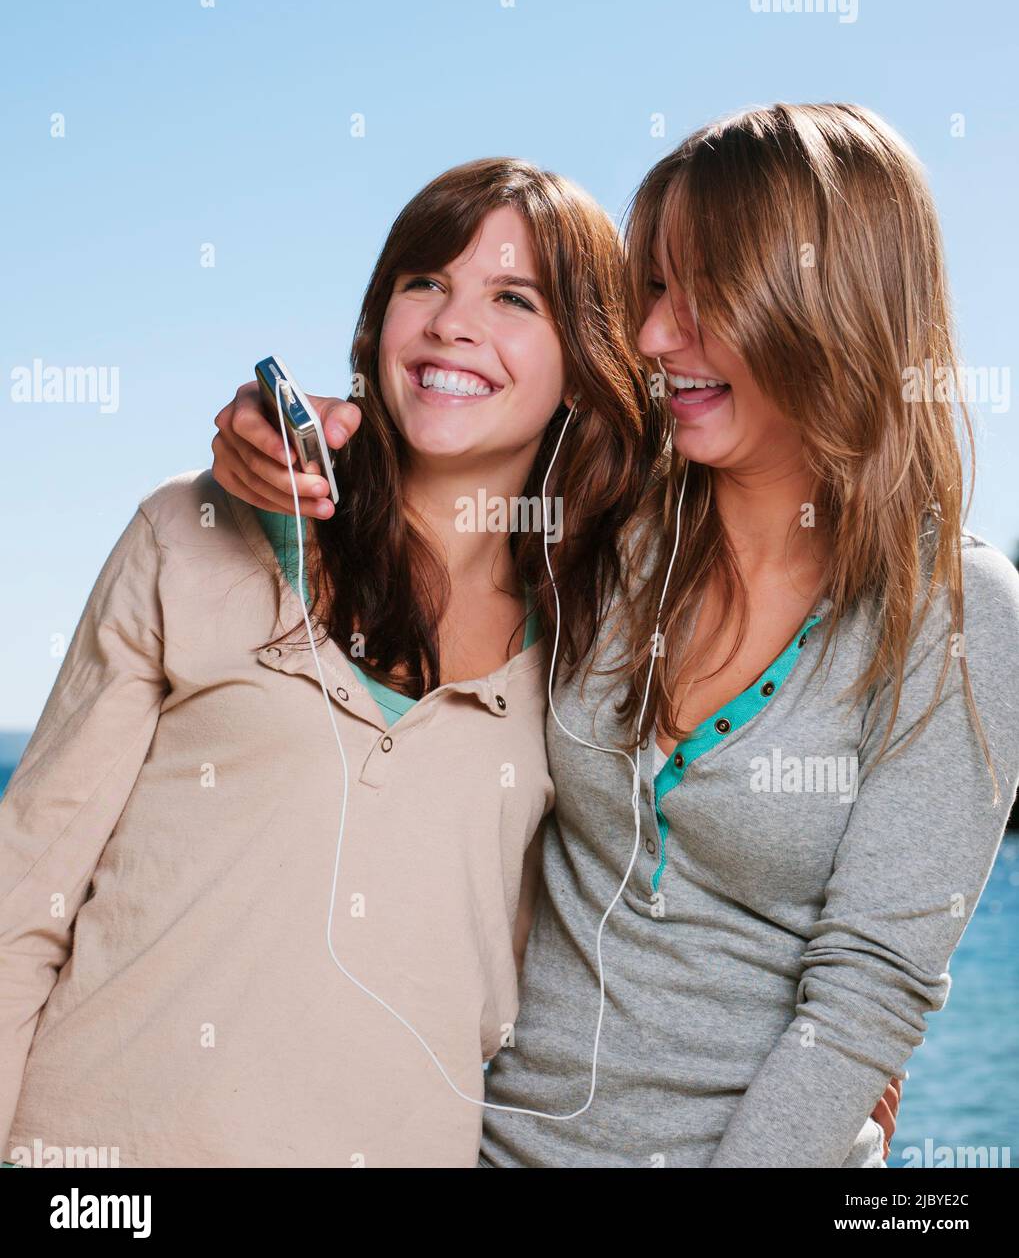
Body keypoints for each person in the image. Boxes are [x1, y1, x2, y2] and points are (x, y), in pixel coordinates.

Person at [0, 158, 656, 1167]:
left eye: (512, 297)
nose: (449, 322)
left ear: (583, 360)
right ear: (376, 321)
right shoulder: (191, 529)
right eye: (422, 281)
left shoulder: (592, 643)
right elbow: (23, 899)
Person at [477, 103, 1019, 1167]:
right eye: (652, 289)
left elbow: (868, 991)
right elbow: (407, 510)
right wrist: (279, 448)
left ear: (833, 298)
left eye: (702, 294)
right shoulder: (604, 513)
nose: (651, 337)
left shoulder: (957, 610)